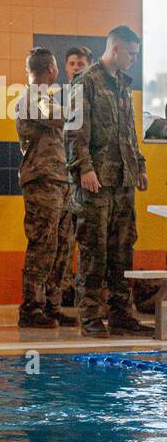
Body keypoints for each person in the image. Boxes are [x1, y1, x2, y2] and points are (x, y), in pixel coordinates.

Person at [67, 26, 150, 337]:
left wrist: (139, 166)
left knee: (122, 250)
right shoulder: (85, 81)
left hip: (123, 183)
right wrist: (84, 168)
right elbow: (73, 131)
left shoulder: (122, 86)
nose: (134, 59)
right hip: (95, 184)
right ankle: (90, 315)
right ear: (116, 49)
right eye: (131, 53)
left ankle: (120, 313)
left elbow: (128, 132)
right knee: (94, 250)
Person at [15, 47, 77, 329]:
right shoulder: (30, 98)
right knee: (43, 245)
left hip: (60, 180)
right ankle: (32, 308)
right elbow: (58, 117)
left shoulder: (44, 97)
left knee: (62, 246)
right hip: (42, 181)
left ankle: (52, 306)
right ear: (51, 68)